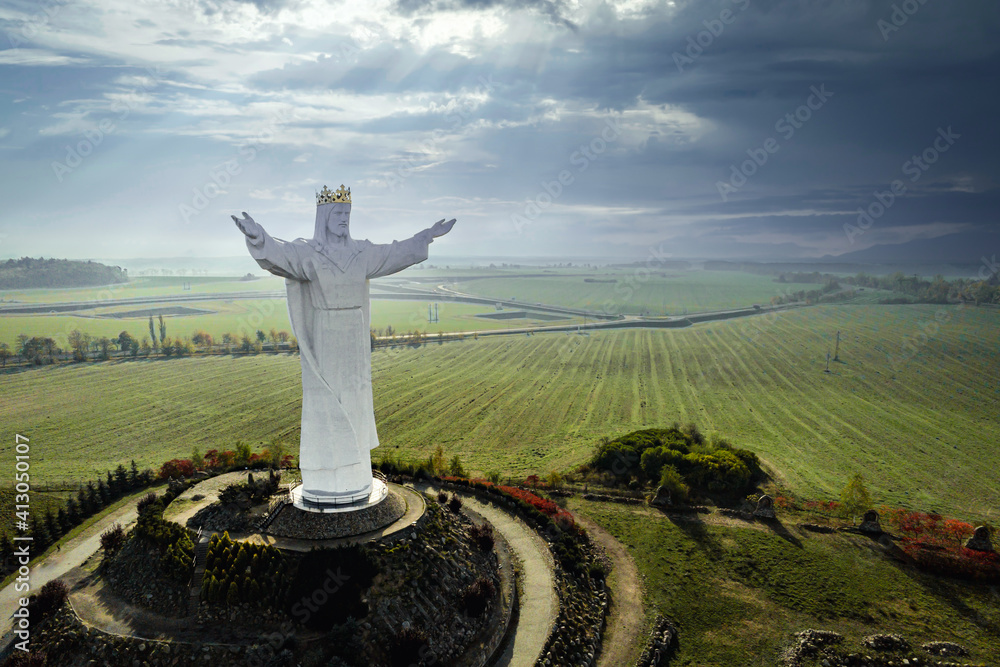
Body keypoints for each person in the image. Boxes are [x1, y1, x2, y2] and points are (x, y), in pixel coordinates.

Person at [232, 185, 455, 505]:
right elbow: (281, 257)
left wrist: (427, 236)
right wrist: (258, 237)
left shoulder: (361, 252)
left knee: (355, 400)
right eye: (338, 214)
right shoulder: (310, 252)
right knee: (327, 400)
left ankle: (354, 475)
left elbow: (393, 254)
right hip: (325, 334)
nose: (343, 220)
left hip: (354, 336)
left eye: (347, 214)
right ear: (324, 216)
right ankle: (326, 478)